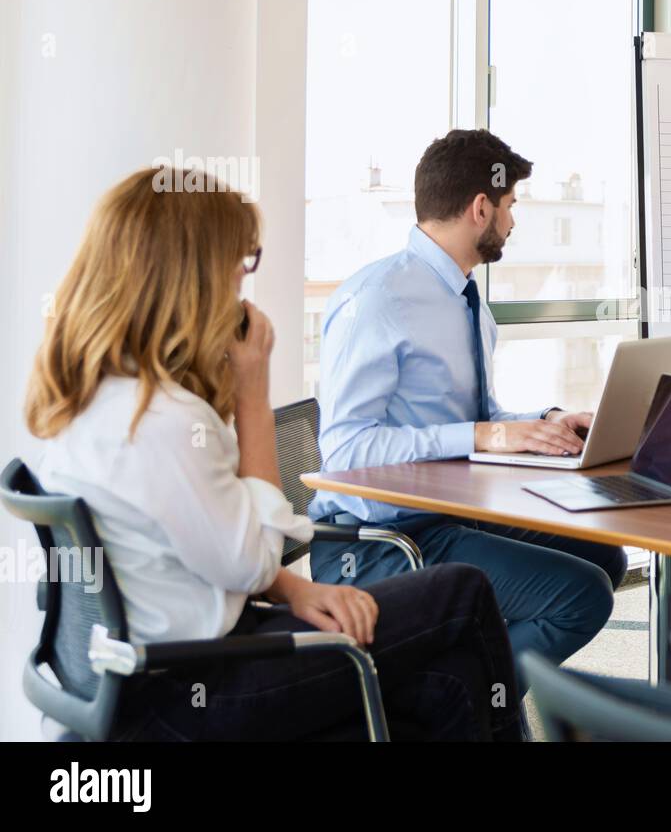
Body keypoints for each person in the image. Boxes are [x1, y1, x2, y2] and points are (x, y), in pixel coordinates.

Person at [26, 167, 521, 741]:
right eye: (241, 261)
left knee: (450, 679)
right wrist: (252, 394)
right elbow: (254, 561)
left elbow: (211, 543)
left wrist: (295, 588)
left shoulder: (96, 400)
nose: (243, 277)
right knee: (461, 590)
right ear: (196, 273)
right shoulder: (162, 420)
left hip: (139, 679)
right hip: (191, 690)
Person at [311, 129, 626, 674]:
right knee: (581, 595)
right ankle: (461, 713)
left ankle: (461, 687)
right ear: (481, 208)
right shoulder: (379, 299)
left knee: (603, 555)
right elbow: (345, 453)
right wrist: (482, 437)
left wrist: (546, 421)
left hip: (449, 513)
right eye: (510, 207)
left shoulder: (463, 298)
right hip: (379, 542)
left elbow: (476, 421)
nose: (513, 222)